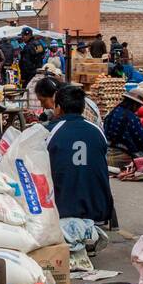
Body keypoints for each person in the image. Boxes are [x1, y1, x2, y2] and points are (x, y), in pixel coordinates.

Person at [47, 85, 112, 223]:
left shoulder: (50, 131)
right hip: (98, 209)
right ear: (82, 108)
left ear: (58, 108)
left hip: (62, 209)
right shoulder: (97, 131)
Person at [103, 90, 143, 160]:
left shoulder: (114, 111)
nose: (137, 109)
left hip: (108, 148)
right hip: (123, 153)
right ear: (135, 104)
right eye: (138, 106)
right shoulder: (130, 117)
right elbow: (142, 137)